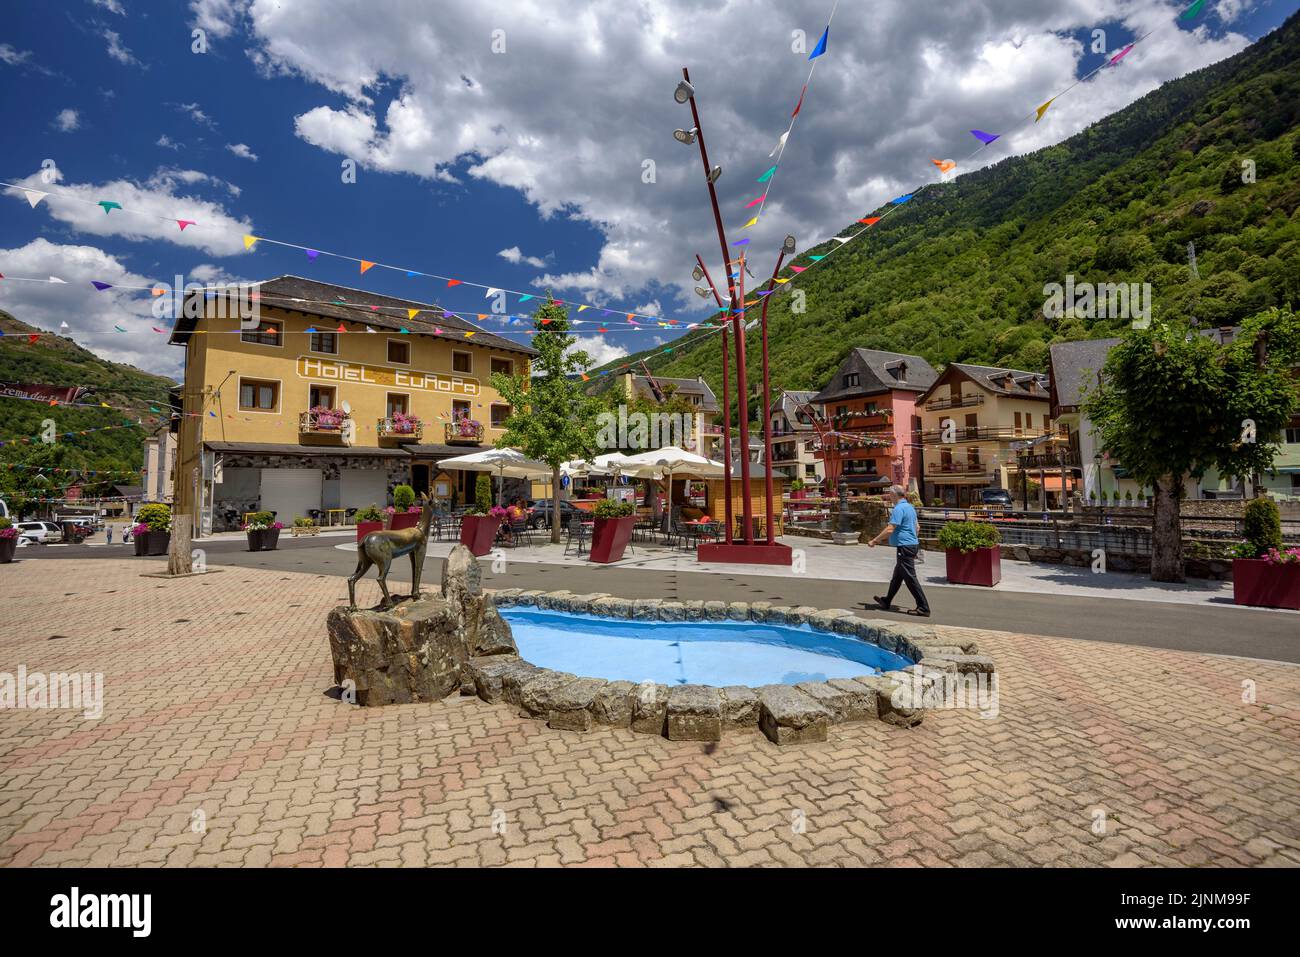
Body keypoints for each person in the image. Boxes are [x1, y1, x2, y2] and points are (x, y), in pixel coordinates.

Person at [867, 484, 930, 617]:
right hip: (911, 545)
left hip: (905, 547)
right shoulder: (910, 507)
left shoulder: (898, 509)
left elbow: (890, 529)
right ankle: (886, 601)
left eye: (890, 494)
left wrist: (875, 540)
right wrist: (912, 540)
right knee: (898, 576)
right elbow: (917, 527)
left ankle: (923, 607)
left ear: (894, 495)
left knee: (910, 578)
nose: (889, 496)